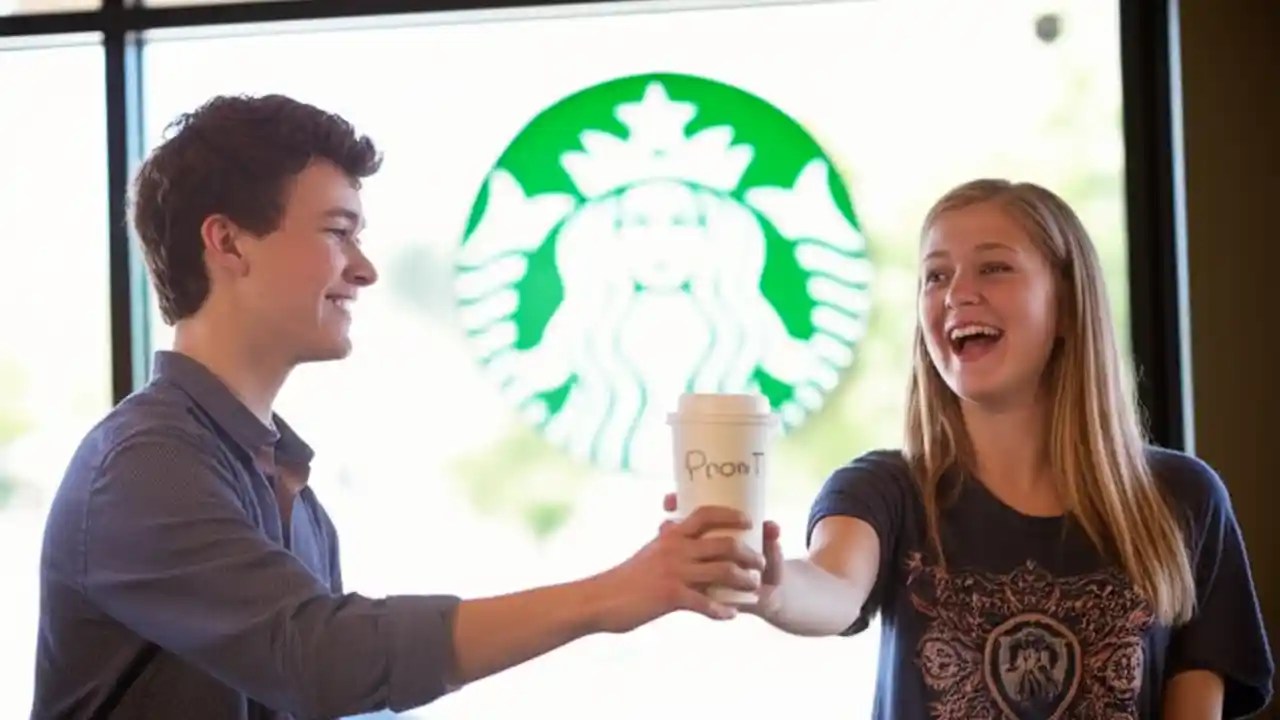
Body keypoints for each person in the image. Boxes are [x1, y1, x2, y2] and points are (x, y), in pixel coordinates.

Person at [31, 94, 765, 720]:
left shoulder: (285, 486)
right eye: (336, 231)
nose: (364, 267)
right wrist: (611, 595)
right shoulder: (145, 464)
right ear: (227, 242)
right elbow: (320, 657)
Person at [689, 179, 1274, 718]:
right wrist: (772, 587)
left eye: (994, 268)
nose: (957, 295)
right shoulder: (883, 490)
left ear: (1067, 304)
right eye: (936, 276)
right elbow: (833, 588)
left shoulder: (1182, 497)